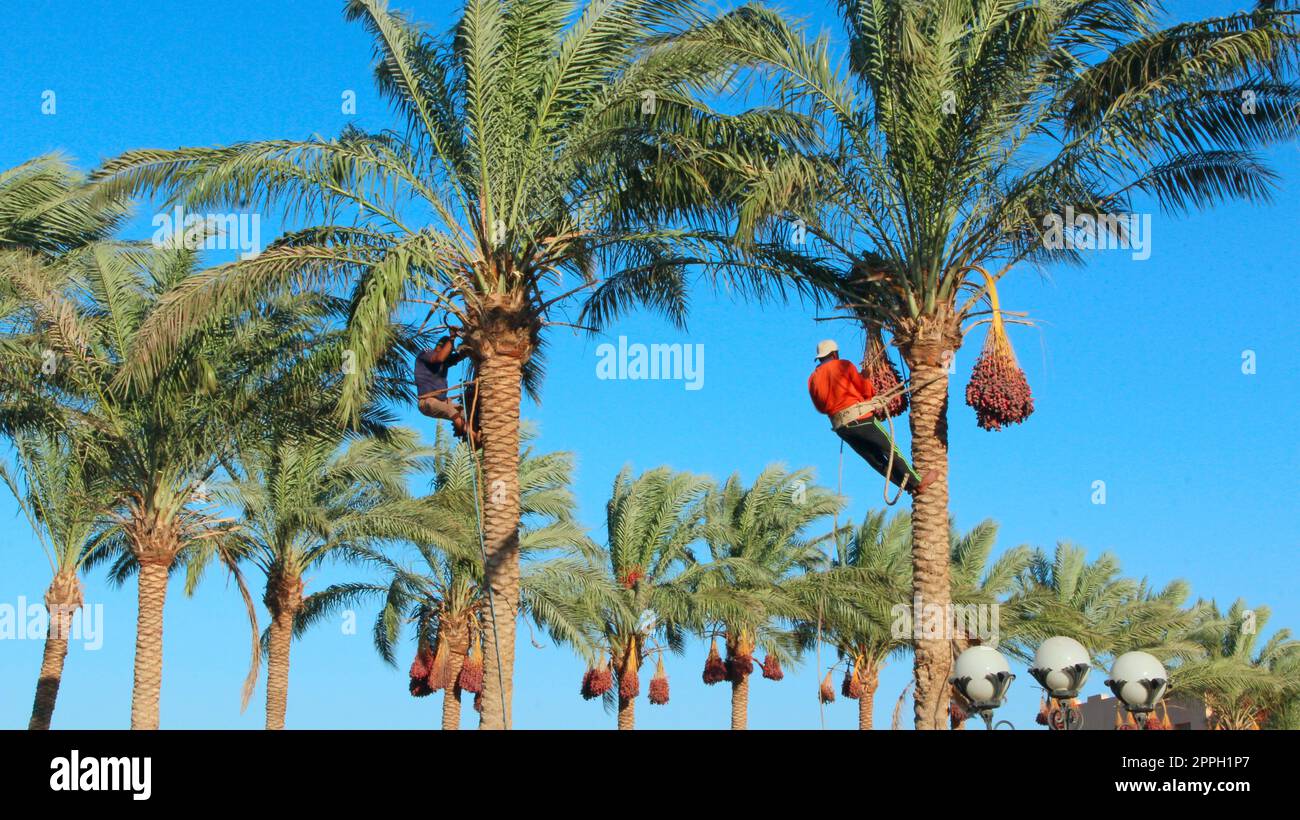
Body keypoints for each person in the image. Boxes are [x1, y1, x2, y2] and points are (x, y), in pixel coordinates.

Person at [808, 339, 936, 495]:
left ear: (820, 358)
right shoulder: (844, 365)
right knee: (890, 449)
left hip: (842, 428)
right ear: (835, 353)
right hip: (860, 419)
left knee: (875, 460)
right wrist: (866, 378)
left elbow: (820, 407)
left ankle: (910, 488)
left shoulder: (812, 379)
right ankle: (917, 482)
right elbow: (867, 392)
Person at [414, 331, 474, 443]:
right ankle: (473, 436)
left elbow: (461, 355)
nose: (448, 355)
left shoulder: (444, 361)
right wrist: (452, 338)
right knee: (452, 411)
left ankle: (464, 431)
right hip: (427, 401)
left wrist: (470, 343)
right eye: (447, 350)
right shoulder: (425, 354)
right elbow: (440, 358)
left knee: (466, 412)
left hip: (442, 402)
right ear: (439, 347)